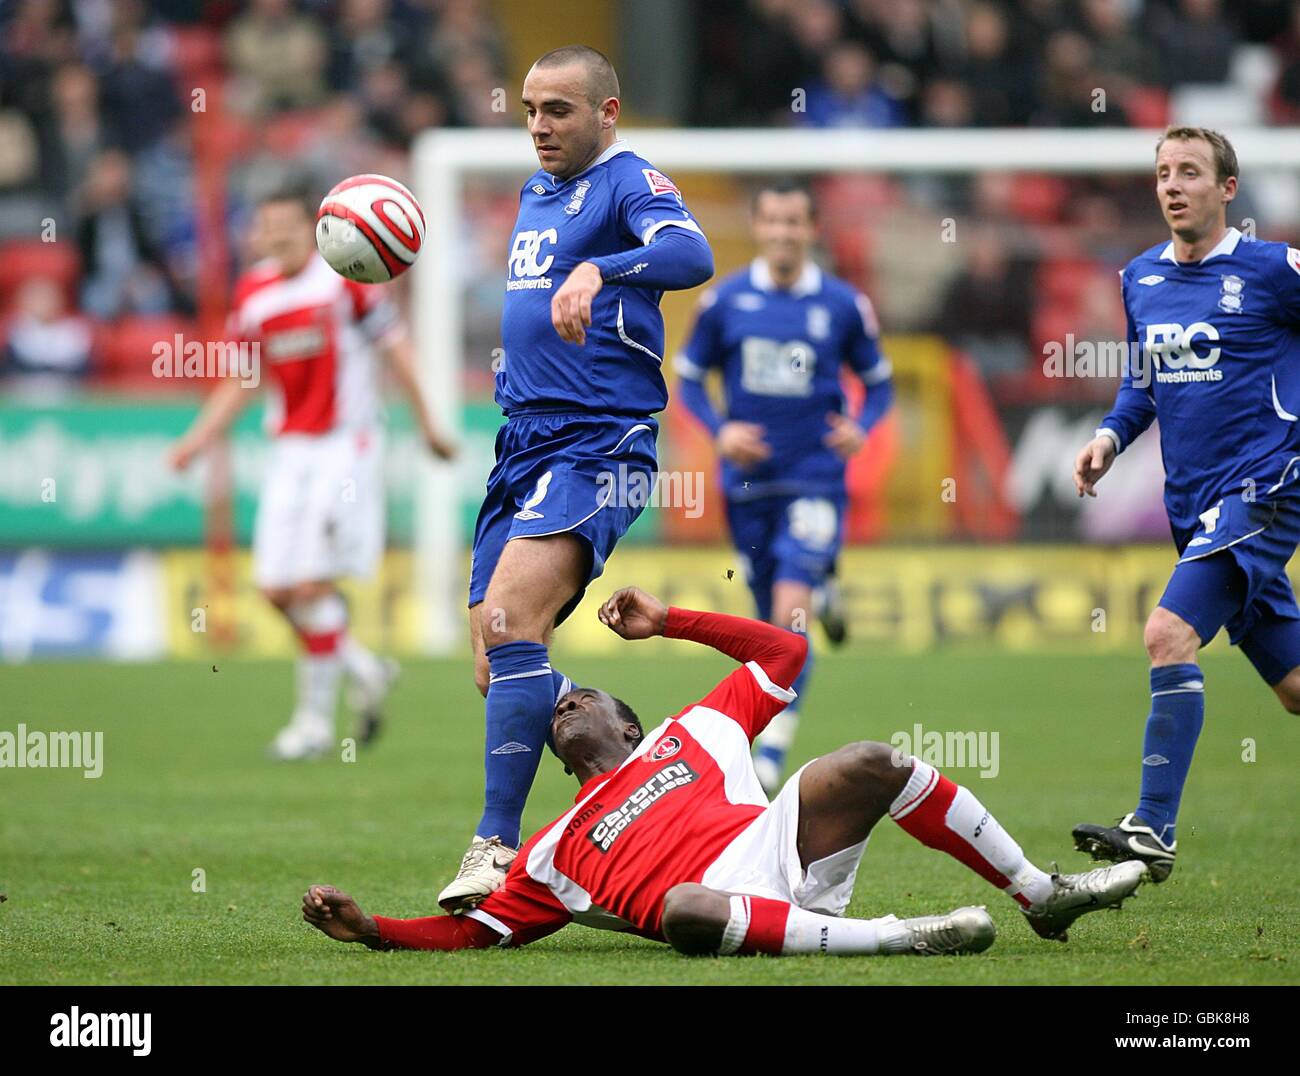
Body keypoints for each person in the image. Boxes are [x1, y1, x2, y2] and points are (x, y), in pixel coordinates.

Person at [304, 587, 1145, 958]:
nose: (565, 705)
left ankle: (1039, 893)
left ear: (629, 725)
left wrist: (671, 620)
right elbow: (474, 932)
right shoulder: (550, 851)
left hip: (783, 853)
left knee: (867, 761)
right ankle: (899, 937)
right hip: (715, 910)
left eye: (583, 696)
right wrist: (373, 928)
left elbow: (786, 650)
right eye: (560, 706)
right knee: (681, 909)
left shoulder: (693, 731)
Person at [438, 44, 713, 911]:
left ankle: (494, 851)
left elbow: (692, 252)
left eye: (558, 109)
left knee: (513, 617)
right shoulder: (535, 193)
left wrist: (604, 266)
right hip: (522, 443)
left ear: (608, 113)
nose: (539, 126)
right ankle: (634, 763)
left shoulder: (631, 180)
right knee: (496, 659)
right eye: (529, 109)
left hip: (604, 444)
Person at [1072, 126, 1300, 881]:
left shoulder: (1273, 270)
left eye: (1191, 173)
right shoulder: (1140, 277)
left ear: (1228, 189)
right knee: (1295, 689)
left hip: (1263, 491)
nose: (1172, 185)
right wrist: (1109, 438)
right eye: (1164, 172)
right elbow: (1144, 382)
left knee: (1168, 633)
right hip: (1195, 505)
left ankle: (1154, 828)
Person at [168, 180, 454, 759]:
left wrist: (429, 422)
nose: (274, 236)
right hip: (291, 453)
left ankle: (314, 725)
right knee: (275, 589)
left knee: (309, 584)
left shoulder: (347, 282)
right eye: (266, 226)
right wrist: (198, 438)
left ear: (318, 228)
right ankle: (366, 669)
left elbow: (396, 350)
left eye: (286, 226)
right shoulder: (252, 294)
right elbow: (242, 379)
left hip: (346, 450)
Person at [675, 179, 894, 795]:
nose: (781, 233)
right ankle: (824, 590)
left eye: (793, 222)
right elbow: (688, 381)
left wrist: (861, 426)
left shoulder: (844, 305)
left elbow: (879, 386)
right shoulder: (725, 303)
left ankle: (770, 751)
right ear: (757, 225)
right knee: (770, 618)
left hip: (816, 478)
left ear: (812, 229)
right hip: (747, 485)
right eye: (771, 221)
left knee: (784, 612)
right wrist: (721, 431)